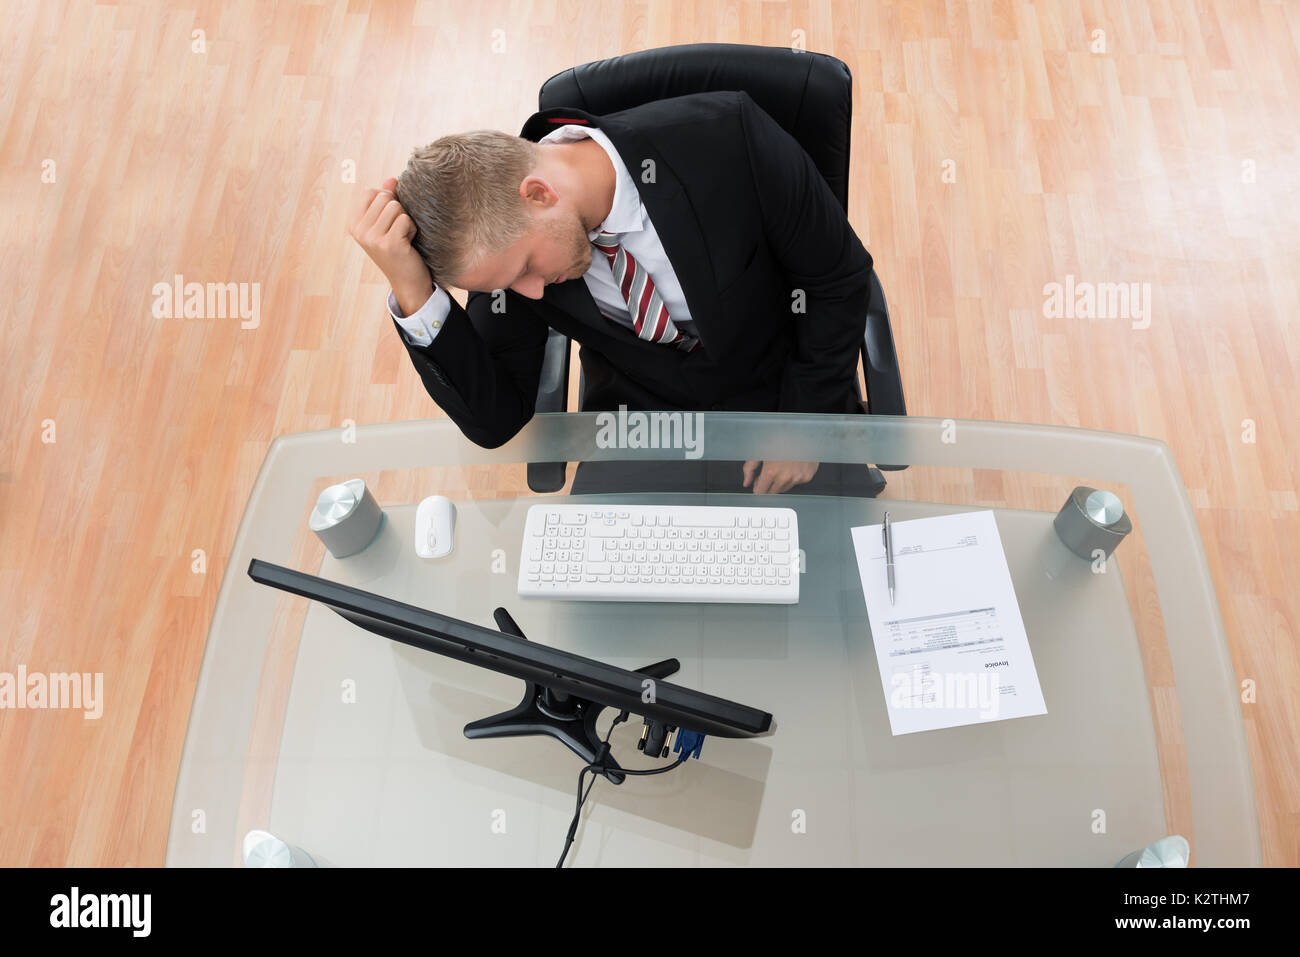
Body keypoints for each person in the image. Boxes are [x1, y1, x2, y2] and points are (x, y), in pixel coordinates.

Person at [350, 91, 880, 496]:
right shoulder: (504, 248)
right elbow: (497, 421)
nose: (530, 293)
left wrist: (801, 425)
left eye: (528, 268)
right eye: (509, 286)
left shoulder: (729, 138)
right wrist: (414, 291)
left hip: (781, 394)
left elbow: (837, 279)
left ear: (539, 194)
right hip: (640, 421)